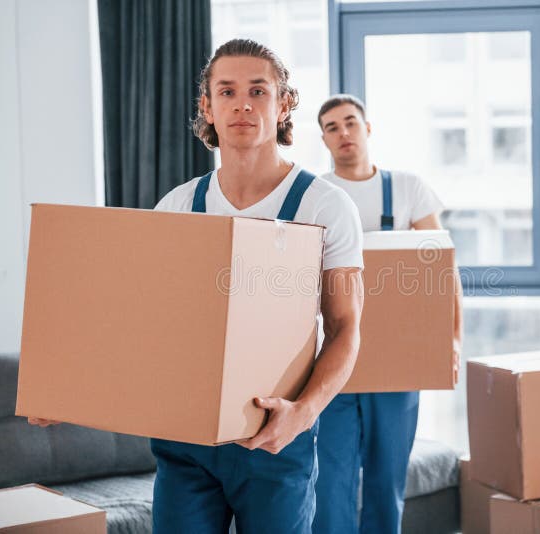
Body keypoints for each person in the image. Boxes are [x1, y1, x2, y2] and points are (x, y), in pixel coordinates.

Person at [30, 39, 365, 534]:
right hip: (184, 446)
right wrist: (68, 392)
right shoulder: (179, 206)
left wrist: (303, 413)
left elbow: (345, 330)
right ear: (207, 107)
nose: (243, 104)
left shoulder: (324, 206)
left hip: (274, 440)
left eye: (258, 90)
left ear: (284, 103)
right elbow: (141, 328)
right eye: (226, 91)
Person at [312, 94, 463, 534]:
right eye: (332, 127)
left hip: (397, 363)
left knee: (386, 479)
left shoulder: (409, 189)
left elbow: (441, 271)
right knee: (331, 481)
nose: (343, 134)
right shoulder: (317, 194)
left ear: (367, 128)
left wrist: (450, 341)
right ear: (323, 139)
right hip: (332, 359)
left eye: (350, 123)